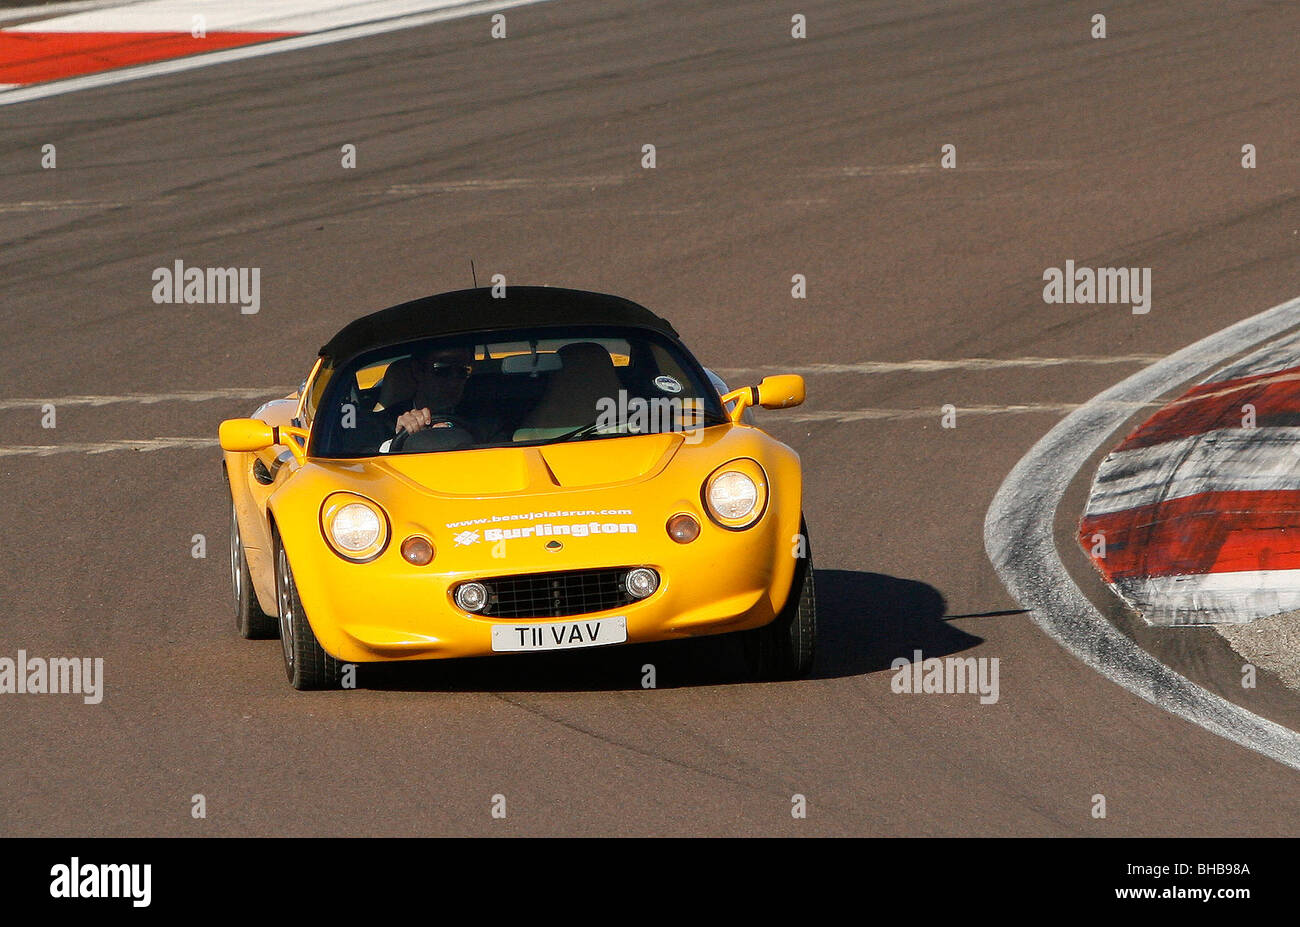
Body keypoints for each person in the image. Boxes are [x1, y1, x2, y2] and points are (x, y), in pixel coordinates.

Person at [379, 344, 475, 436]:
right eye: (442, 370)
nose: (453, 382)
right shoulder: (386, 423)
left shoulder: (478, 416)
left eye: (462, 371)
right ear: (418, 370)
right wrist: (403, 434)